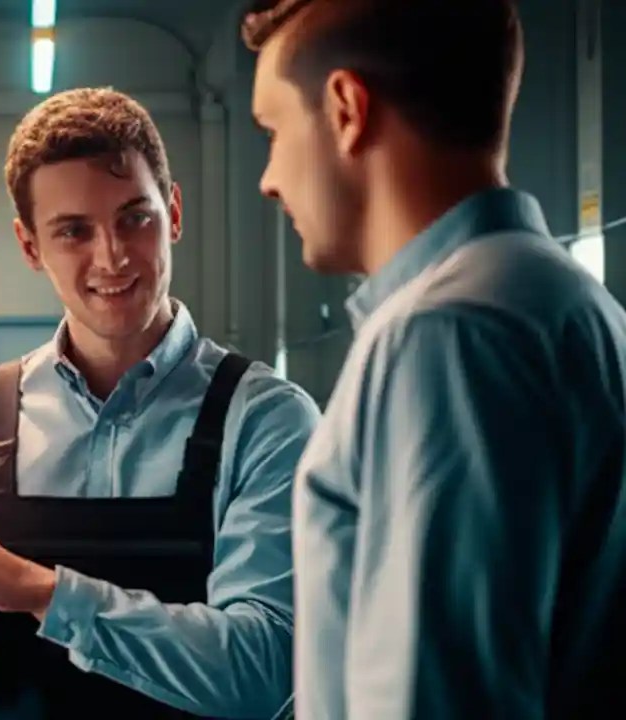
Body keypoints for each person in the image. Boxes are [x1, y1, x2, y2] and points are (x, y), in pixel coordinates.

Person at [0, 87, 314, 719]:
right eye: (74, 231)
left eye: (136, 217)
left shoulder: (267, 421)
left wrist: (41, 592)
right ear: (30, 247)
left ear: (175, 212)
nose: (112, 256)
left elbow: (265, 671)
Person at [243, 0, 626, 717]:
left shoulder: (446, 334)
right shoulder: (567, 302)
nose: (267, 178)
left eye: (273, 131)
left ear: (347, 109)